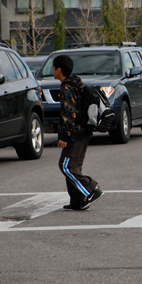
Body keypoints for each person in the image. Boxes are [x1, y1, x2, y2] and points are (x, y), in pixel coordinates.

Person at [54, 55, 104, 211]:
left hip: (75, 133)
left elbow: (68, 113)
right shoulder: (77, 84)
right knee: (74, 165)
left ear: (59, 69)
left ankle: (91, 189)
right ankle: (77, 200)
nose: (53, 71)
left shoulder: (67, 87)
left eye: (53, 68)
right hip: (84, 131)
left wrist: (64, 136)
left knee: (66, 166)